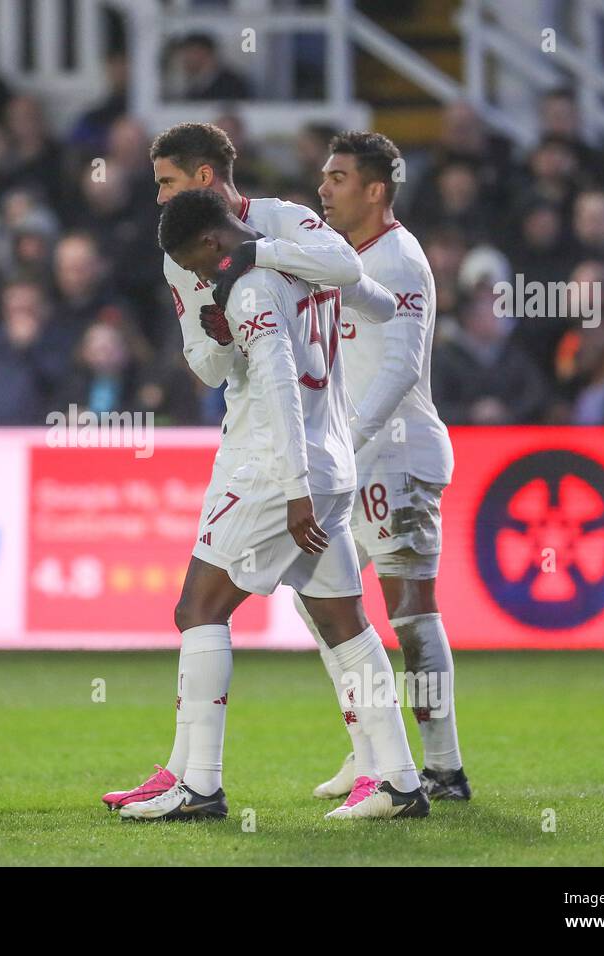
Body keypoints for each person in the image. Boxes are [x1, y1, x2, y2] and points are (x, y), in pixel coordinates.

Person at [102, 122, 399, 818]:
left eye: (168, 183)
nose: (159, 200)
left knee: (198, 608)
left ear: (206, 180)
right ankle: (399, 778)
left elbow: (351, 278)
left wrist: (249, 263)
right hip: (311, 454)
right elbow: (207, 364)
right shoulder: (188, 255)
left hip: (274, 456)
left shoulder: (279, 228)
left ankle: (198, 785)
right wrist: (221, 338)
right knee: (346, 625)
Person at [310, 131, 470, 807]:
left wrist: (346, 437)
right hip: (356, 459)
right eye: (324, 175)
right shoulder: (340, 256)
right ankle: (374, 750)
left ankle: (443, 768)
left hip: (398, 458)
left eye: (338, 177)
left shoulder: (399, 259)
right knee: (323, 604)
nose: (324, 187)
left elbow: (402, 365)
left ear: (376, 190)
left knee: (410, 613)